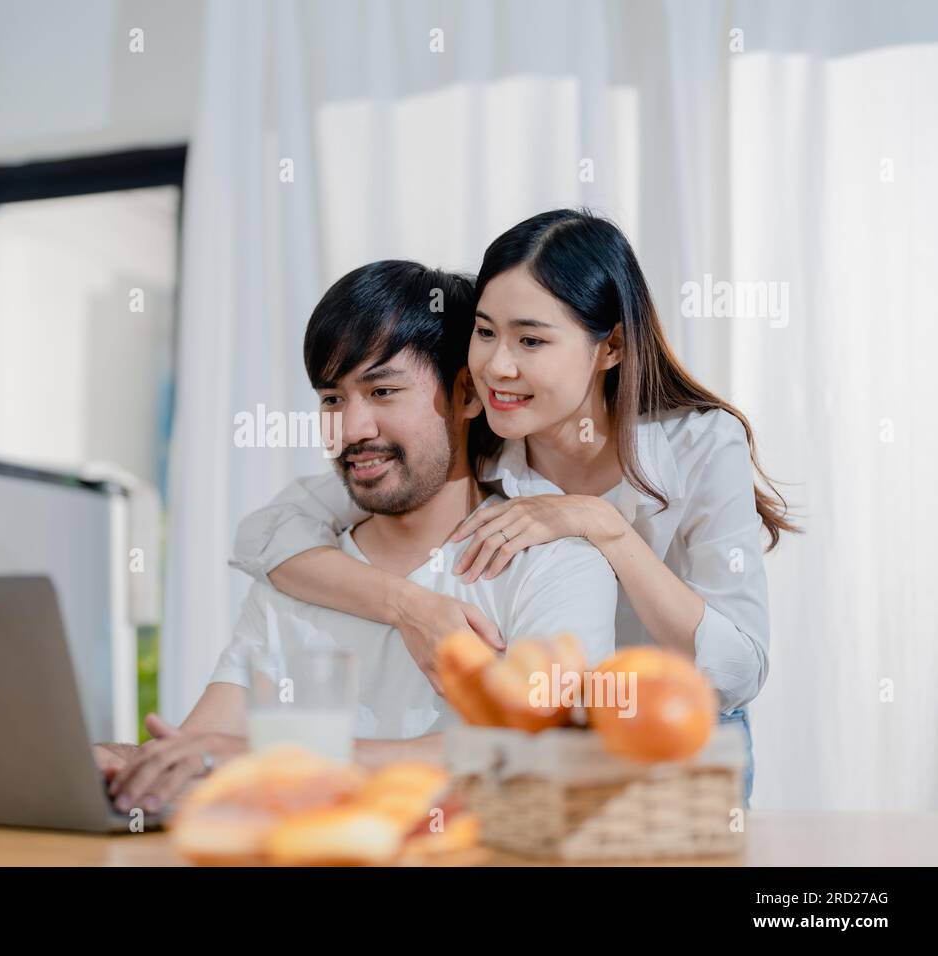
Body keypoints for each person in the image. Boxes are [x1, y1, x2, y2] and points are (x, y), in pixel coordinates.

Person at [231, 210, 798, 806]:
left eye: (530, 339)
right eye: (484, 332)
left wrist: (603, 527)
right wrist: (409, 607)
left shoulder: (702, 445)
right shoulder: (477, 439)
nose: (497, 366)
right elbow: (265, 535)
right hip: (555, 758)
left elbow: (738, 672)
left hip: (681, 744)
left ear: (611, 346)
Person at [97, 260, 617, 815]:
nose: (351, 430)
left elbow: (539, 750)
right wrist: (124, 762)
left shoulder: (554, 566)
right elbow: (202, 745)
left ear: (468, 395)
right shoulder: (299, 575)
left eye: (383, 391)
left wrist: (266, 761)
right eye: (332, 399)